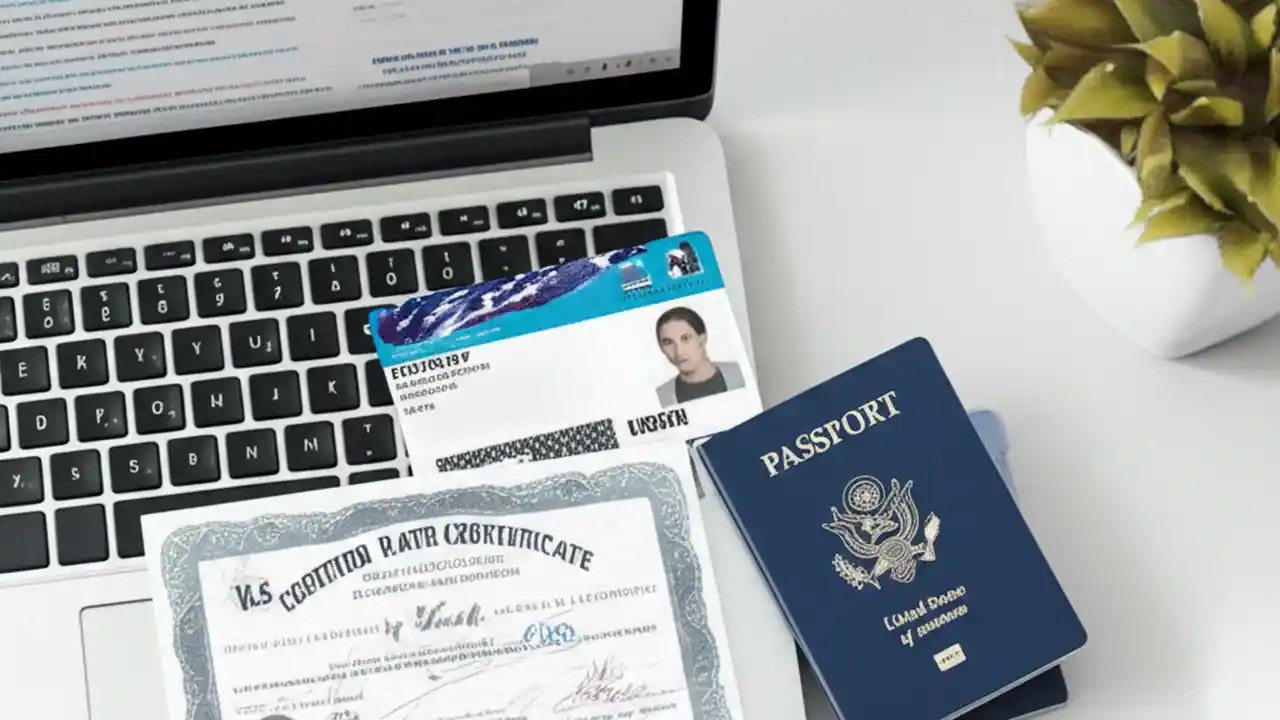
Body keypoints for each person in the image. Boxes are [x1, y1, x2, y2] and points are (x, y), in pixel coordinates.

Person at [654, 306, 745, 407]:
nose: (679, 352)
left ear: (702, 339)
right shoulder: (661, 396)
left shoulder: (741, 373)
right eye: (668, 343)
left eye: (685, 338)